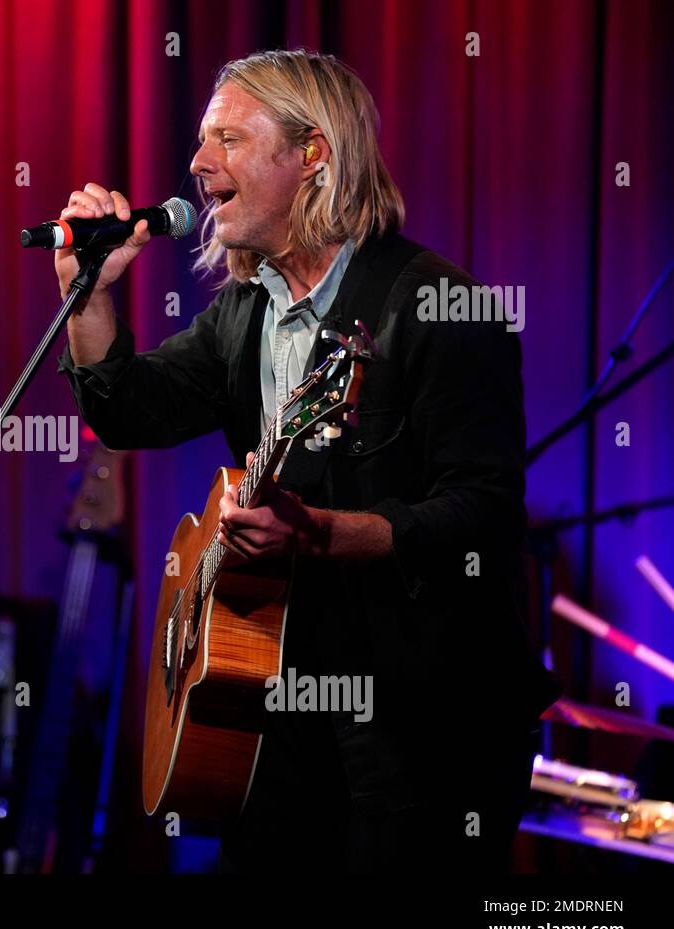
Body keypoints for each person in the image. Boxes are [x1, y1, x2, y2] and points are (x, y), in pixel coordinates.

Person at [55, 49, 560, 872]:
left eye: (228, 138)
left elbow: (485, 515)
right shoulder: (246, 313)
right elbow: (124, 411)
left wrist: (320, 534)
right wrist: (92, 291)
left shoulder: (440, 308)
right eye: (199, 139)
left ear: (313, 154)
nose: (196, 163)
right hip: (281, 719)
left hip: (422, 732)